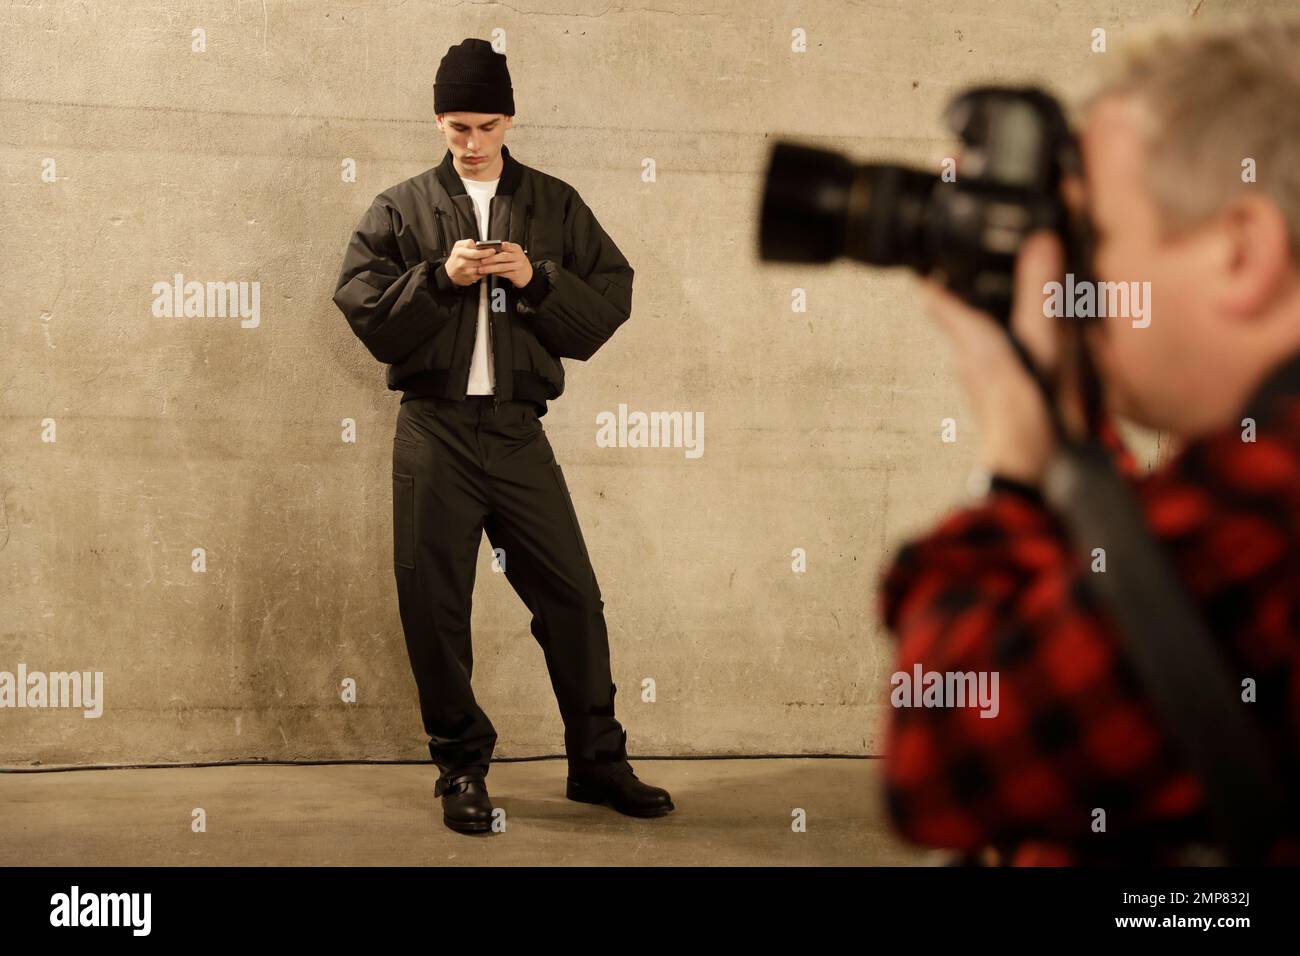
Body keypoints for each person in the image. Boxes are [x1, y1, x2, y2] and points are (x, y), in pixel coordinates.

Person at [879, 15, 1300, 864]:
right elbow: (1144, 621)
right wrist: (1065, 425)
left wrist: (1015, 450)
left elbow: (941, 754)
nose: (1078, 287)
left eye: (1095, 240)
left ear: (1242, 254)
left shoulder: (1272, 500)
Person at [333, 38, 673, 833]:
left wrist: (536, 278)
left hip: (518, 433)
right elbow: (370, 319)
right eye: (457, 128)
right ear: (439, 122)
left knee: (572, 598)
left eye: (486, 125)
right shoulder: (401, 206)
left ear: (510, 118)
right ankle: (461, 771)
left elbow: (606, 308)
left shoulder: (553, 203)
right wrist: (439, 279)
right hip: (434, 433)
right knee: (435, 605)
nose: (473, 142)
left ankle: (597, 761)